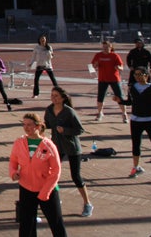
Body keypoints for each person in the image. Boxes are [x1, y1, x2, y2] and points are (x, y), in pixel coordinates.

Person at [9, 113, 68, 236]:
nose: (26, 128)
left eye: (29, 125)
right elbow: (13, 161)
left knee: (56, 224)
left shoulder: (48, 145)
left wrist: (45, 191)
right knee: (26, 225)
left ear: (38, 126)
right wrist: (13, 173)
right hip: (26, 188)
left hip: (47, 190)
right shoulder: (19, 143)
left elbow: (56, 170)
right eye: (24, 124)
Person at [113, 66, 151, 184]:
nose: (138, 77)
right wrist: (119, 100)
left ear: (146, 75)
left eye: (140, 74)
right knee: (136, 145)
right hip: (136, 120)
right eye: (136, 75)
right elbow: (130, 102)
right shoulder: (133, 88)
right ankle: (136, 168)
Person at [43, 87, 92, 217]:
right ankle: (54, 199)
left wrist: (65, 130)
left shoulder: (69, 112)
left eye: (56, 96)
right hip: (56, 146)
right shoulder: (49, 110)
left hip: (72, 147)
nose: (53, 98)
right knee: (52, 174)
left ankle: (87, 203)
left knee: (76, 176)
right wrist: (39, 126)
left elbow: (80, 130)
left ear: (63, 98)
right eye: (52, 95)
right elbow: (48, 124)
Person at [91, 41, 128, 122]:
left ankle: (124, 114)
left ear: (111, 48)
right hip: (102, 79)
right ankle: (100, 113)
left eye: (107, 47)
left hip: (114, 79)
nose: (105, 49)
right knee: (100, 97)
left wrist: (118, 67)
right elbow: (93, 66)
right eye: (104, 47)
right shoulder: (98, 55)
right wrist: (95, 65)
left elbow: (121, 67)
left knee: (119, 96)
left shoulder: (115, 56)